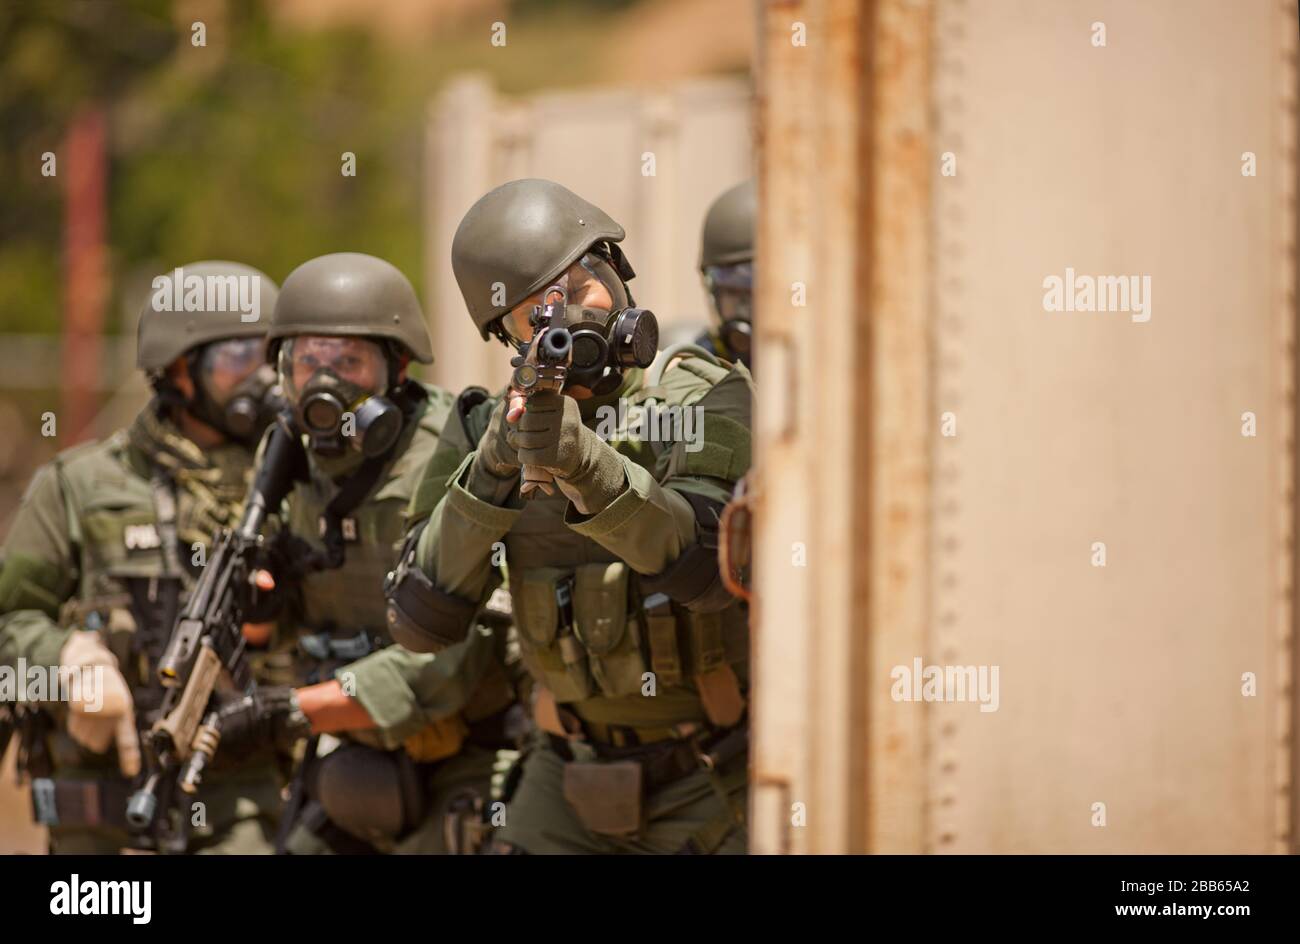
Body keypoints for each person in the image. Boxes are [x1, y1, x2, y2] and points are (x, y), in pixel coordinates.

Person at [387, 179, 754, 853]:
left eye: (578, 285)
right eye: (536, 313)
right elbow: (420, 618)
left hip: (710, 770)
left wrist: (584, 464)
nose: (567, 319)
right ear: (507, 336)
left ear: (616, 270)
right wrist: (496, 465)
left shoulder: (702, 394)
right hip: (564, 780)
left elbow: (704, 568)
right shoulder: (479, 431)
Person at [219, 252, 518, 854]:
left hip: (469, 753)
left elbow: (448, 661)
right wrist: (258, 615)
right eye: (310, 361)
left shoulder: (451, 452)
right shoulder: (287, 459)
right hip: (354, 751)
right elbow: (274, 628)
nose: (326, 383)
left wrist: (289, 711)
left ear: (396, 368)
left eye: (350, 361)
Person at [0, 260, 285, 853]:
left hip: (245, 804)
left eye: (269, 356)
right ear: (179, 371)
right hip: (99, 809)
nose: (262, 379)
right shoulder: (79, 486)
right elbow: (10, 621)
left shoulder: (291, 484)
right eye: (238, 357)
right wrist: (67, 662)